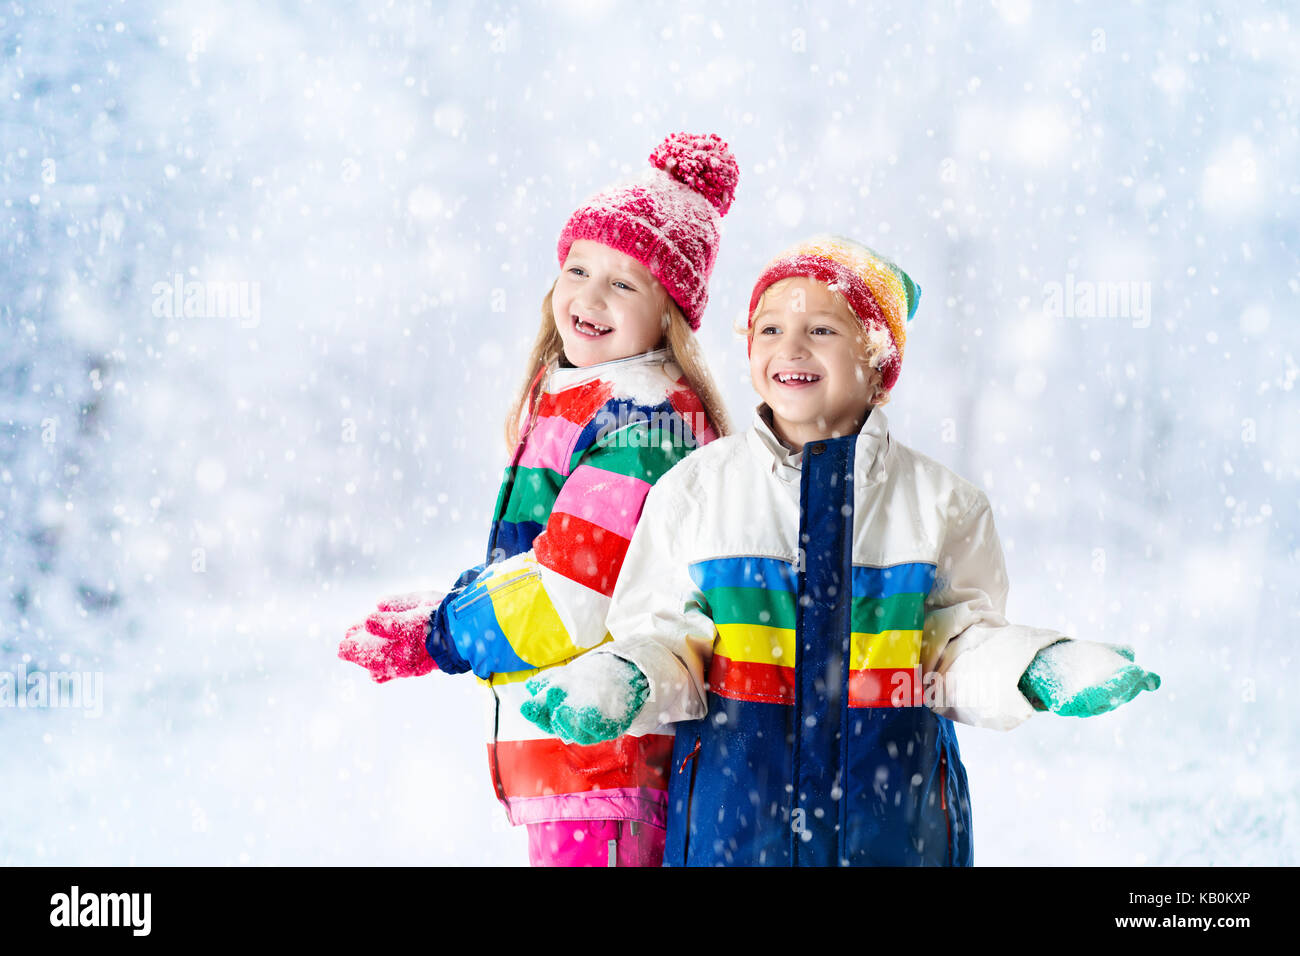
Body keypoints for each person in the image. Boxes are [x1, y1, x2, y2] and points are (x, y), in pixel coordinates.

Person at [519, 235, 1161, 866]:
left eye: (821, 330)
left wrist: (1035, 666)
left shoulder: (942, 505)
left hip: (893, 836)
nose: (789, 347)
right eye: (768, 330)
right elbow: (665, 638)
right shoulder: (695, 493)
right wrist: (625, 677)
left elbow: (959, 649)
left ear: (877, 361)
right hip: (735, 835)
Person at [338, 132, 739, 866]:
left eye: (625, 282)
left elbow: (569, 592)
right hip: (581, 765)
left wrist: (446, 632)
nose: (589, 295)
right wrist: (457, 607)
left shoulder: (643, 421)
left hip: (612, 759)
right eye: (578, 268)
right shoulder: (586, 402)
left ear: (671, 313)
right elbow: (544, 562)